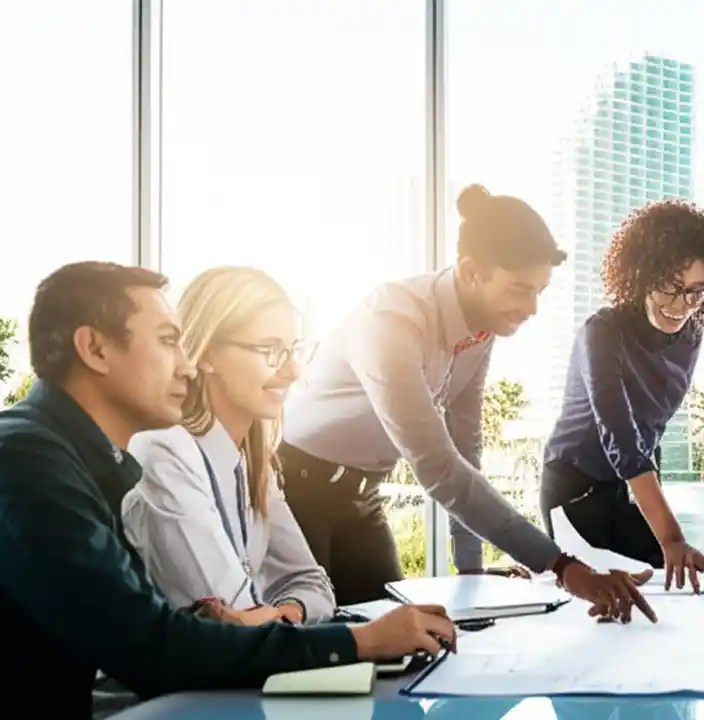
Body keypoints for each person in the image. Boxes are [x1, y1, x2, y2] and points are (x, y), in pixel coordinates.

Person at [0, 262, 456, 718]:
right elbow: (150, 645)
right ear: (95, 348)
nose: (187, 365)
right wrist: (359, 640)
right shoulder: (28, 463)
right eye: (166, 341)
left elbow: (165, 627)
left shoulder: (83, 462)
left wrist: (256, 620)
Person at [280, 184, 655, 621]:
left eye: (539, 291)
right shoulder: (391, 321)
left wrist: (472, 577)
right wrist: (562, 566)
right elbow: (439, 468)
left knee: (394, 639)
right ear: (471, 271)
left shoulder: (480, 330)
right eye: (519, 289)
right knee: (321, 642)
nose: (531, 308)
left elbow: (465, 451)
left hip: (363, 497)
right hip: (297, 491)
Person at [540, 199, 704, 593]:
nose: (679, 306)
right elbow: (622, 438)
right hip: (573, 489)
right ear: (642, 274)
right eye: (670, 287)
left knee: (678, 586)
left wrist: (669, 537)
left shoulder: (692, 332)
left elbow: (652, 427)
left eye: (694, 293)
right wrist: (670, 538)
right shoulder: (602, 332)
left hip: (623, 489)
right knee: (605, 595)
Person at [122, 267, 335, 625]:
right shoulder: (163, 454)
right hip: (176, 680)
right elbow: (227, 621)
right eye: (270, 350)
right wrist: (270, 622)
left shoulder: (252, 463)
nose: (293, 371)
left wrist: (286, 616)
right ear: (207, 355)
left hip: (244, 672)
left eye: (293, 350)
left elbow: (310, 582)